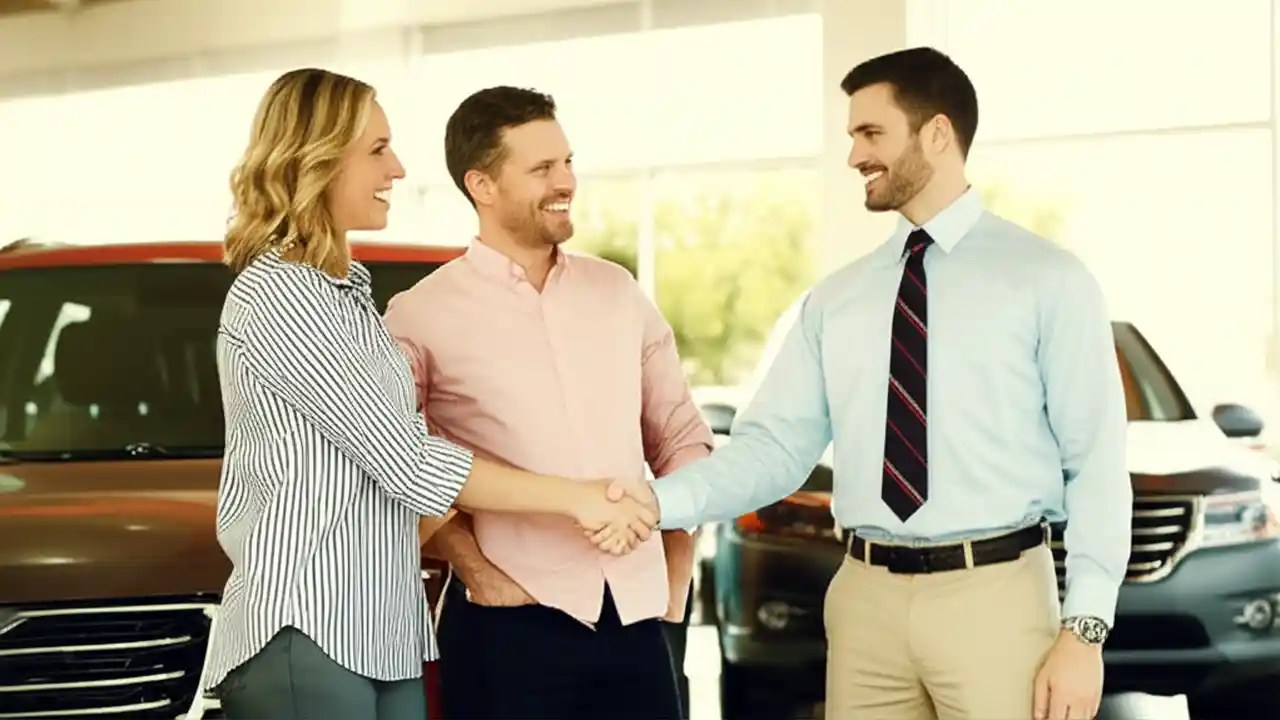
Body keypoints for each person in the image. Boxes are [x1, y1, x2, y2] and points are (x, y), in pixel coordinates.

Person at [620, 47, 1133, 720]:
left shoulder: (1048, 281)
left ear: (938, 134)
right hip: (864, 601)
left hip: (997, 600)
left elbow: (1095, 460)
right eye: (852, 136)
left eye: (871, 133)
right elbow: (772, 448)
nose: (854, 155)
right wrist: (655, 504)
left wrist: (1086, 630)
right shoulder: (838, 300)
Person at [199, 68, 657, 720]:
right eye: (377, 149)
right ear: (318, 157)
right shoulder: (281, 296)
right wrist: (577, 498)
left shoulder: (347, 297)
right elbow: (410, 464)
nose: (400, 167)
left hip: (383, 634)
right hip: (308, 624)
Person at [382, 85, 714, 720]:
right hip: (507, 623)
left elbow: (681, 437)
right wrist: (474, 568)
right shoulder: (420, 314)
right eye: (542, 169)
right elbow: (399, 464)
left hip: (639, 622)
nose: (567, 181)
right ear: (481, 184)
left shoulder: (617, 291)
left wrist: (677, 574)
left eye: (567, 162)